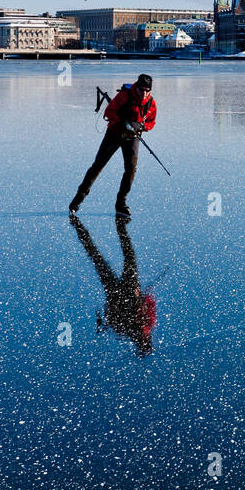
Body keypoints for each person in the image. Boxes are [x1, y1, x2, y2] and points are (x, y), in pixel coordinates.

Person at [69, 74, 156, 220]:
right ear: (137, 87)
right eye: (142, 90)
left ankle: (121, 204)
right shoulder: (124, 96)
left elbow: (151, 122)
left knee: (131, 169)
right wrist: (121, 122)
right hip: (114, 134)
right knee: (98, 165)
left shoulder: (151, 103)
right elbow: (108, 112)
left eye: (148, 90)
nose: (144, 93)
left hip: (132, 137)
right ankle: (77, 200)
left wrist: (142, 127)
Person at [69, 214, 157, 357]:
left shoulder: (143, 326)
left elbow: (149, 302)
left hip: (127, 290)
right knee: (98, 260)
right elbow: (110, 315)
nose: (145, 339)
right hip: (118, 293)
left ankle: (120, 226)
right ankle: (81, 228)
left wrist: (141, 296)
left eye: (145, 341)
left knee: (125, 257)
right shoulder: (126, 331)